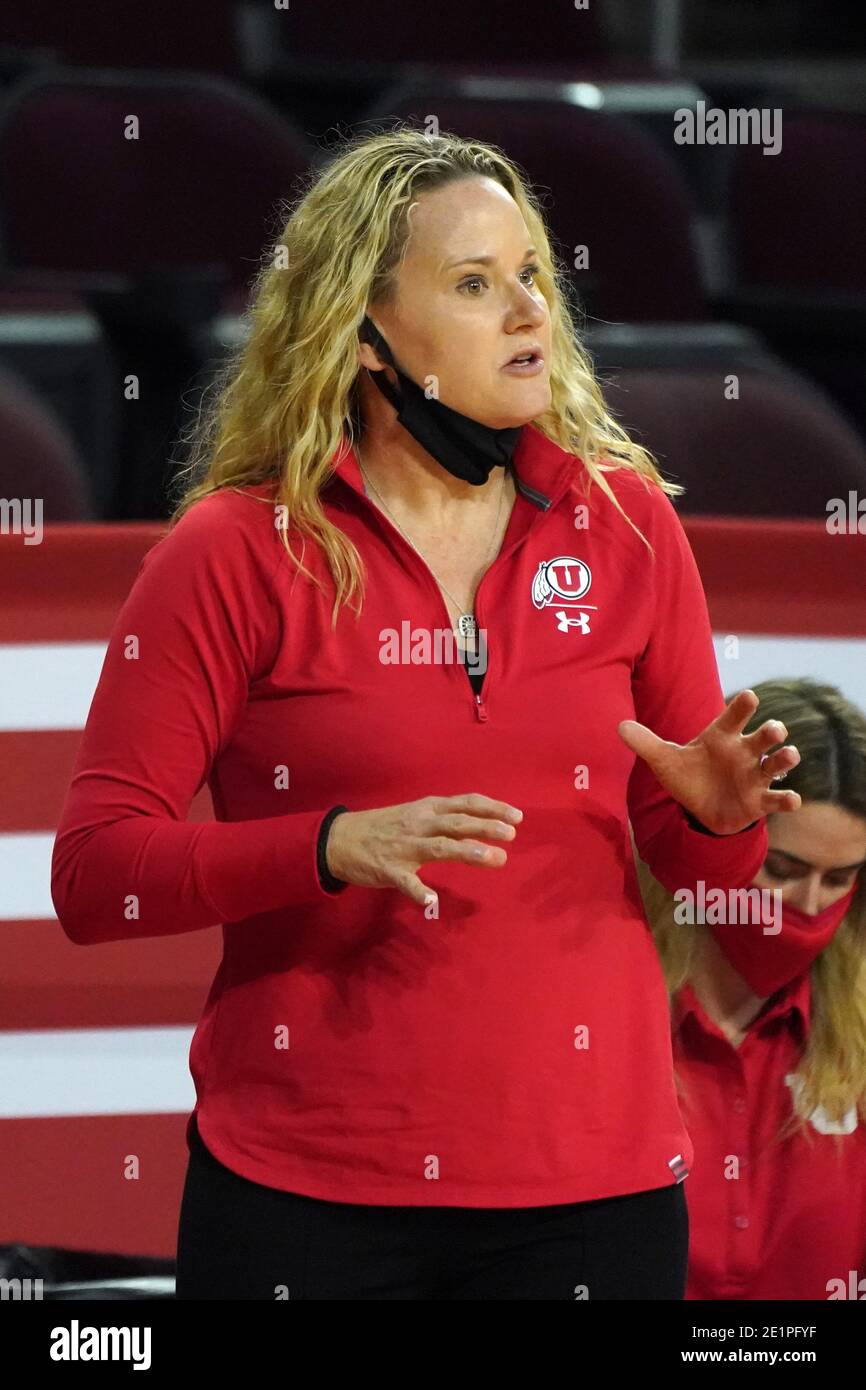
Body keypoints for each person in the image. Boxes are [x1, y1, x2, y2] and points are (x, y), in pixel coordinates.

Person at [51, 126, 800, 1300]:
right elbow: (98, 877)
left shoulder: (626, 524)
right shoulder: (235, 553)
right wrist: (326, 846)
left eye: (530, 277)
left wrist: (712, 820)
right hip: (308, 1195)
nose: (525, 313)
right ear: (361, 334)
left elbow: (694, 856)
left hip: (592, 1199)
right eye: (471, 283)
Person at [637, 677, 866, 1300]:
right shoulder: (601, 1016)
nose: (810, 905)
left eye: (840, 878)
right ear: (713, 840)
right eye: (783, 870)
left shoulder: (858, 1027)